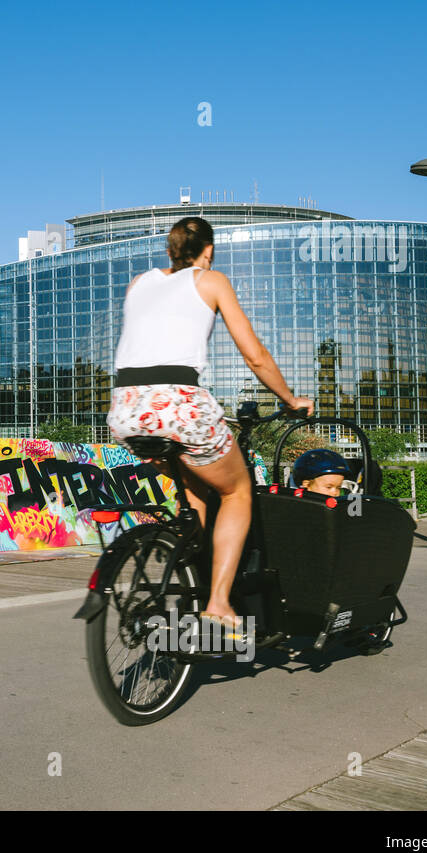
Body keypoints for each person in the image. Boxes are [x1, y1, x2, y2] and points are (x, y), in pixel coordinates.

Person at [107, 217, 314, 636]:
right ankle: (218, 604)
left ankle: (191, 577)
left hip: (126, 411)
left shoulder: (138, 283)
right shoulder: (211, 279)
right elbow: (254, 355)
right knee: (237, 491)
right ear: (209, 251)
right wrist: (291, 400)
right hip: (180, 407)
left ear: (169, 250)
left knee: (196, 488)